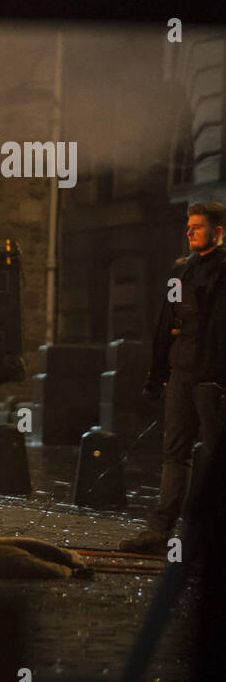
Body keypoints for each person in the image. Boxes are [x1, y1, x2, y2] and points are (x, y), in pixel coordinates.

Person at [121, 203, 226, 554]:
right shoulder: (179, 272)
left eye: (198, 226)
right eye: (188, 226)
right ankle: (159, 530)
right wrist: (157, 374)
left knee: (215, 455)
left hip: (214, 375)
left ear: (218, 232)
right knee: (174, 453)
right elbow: (165, 324)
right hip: (182, 371)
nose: (190, 231)